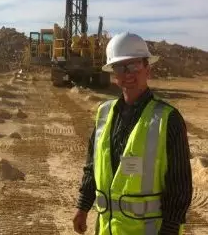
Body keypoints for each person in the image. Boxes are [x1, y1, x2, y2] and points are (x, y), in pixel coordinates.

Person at [73, 32, 193, 235]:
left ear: (148, 69)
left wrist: (170, 229)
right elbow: (92, 167)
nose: (128, 73)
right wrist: (83, 207)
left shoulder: (167, 119)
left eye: (134, 65)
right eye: (120, 67)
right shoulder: (104, 114)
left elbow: (180, 185)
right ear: (114, 74)